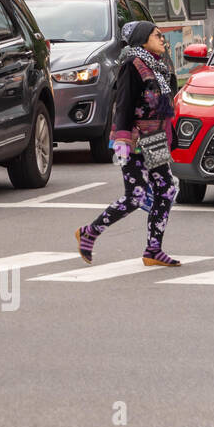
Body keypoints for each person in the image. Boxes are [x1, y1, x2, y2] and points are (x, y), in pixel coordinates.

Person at [75, 21, 182, 267]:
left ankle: (153, 250)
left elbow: (163, 107)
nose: (162, 39)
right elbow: (123, 105)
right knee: (135, 196)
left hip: (154, 140)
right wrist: (121, 141)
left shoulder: (158, 65)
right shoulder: (132, 65)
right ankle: (89, 232)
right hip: (133, 141)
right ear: (142, 38)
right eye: (157, 35)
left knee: (166, 190)